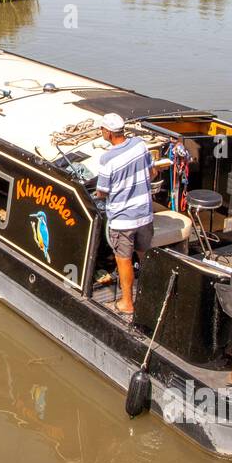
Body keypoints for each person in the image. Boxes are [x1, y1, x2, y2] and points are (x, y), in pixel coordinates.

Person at [92, 112, 158, 316]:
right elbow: (152, 173)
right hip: (145, 213)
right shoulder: (140, 144)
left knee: (124, 260)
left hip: (123, 220)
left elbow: (102, 191)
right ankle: (152, 293)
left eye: (102, 129)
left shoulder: (107, 158)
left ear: (109, 133)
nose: (101, 132)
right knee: (144, 254)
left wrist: (99, 194)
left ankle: (127, 302)